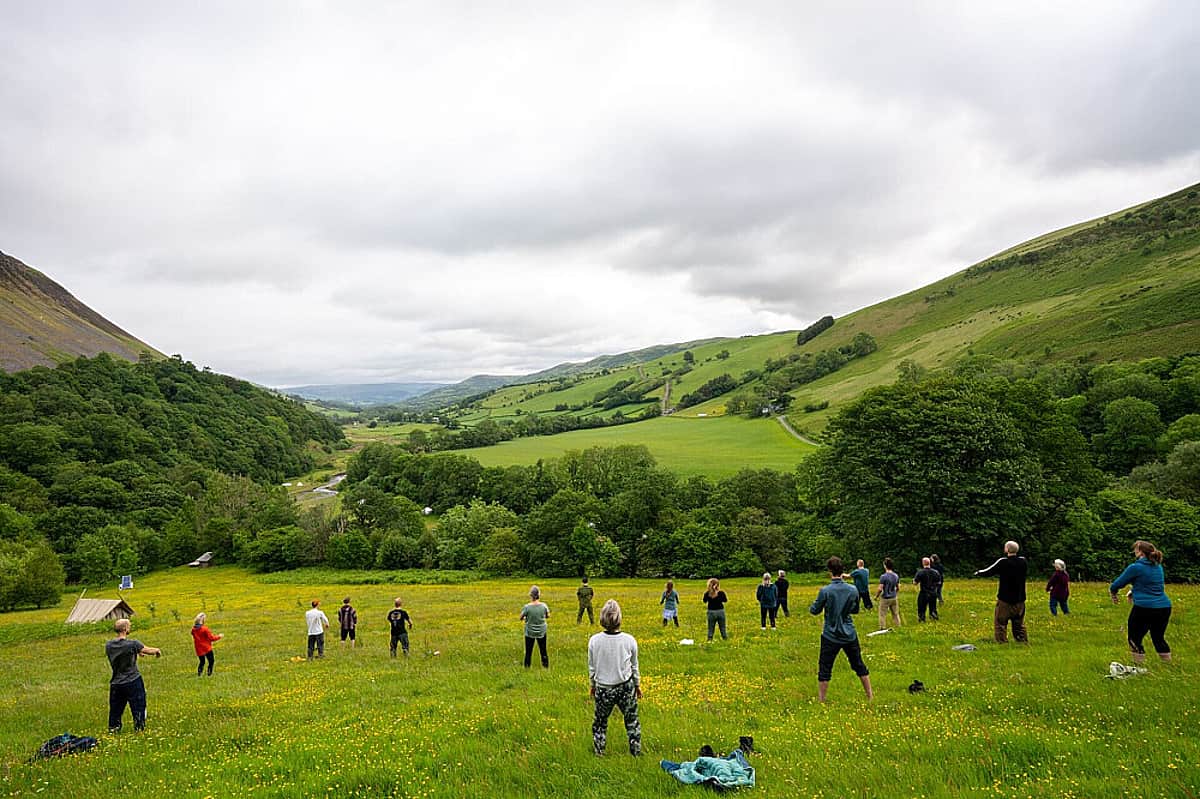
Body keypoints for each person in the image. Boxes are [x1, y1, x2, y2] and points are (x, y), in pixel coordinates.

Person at [808, 556, 872, 702]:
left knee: (825, 667)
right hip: (849, 633)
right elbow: (855, 610)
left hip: (830, 634)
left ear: (830, 571)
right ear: (843, 571)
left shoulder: (825, 591)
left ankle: (822, 699)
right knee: (858, 664)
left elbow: (814, 610)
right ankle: (870, 695)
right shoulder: (853, 589)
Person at [588, 600, 642, 756]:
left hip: (603, 687)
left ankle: (599, 751)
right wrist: (637, 685)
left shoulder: (594, 641)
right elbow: (634, 666)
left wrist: (593, 684)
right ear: (619, 618)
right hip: (625, 686)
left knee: (600, 722)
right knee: (632, 721)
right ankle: (635, 751)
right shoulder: (629, 640)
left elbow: (592, 666)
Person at [1109, 540, 1172, 664]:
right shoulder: (1157, 566)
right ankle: (1169, 666)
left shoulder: (1135, 567)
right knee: (1158, 638)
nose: (1134, 552)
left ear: (1141, 552)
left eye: (1135, 549)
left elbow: (1118, 583)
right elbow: (1150, 584)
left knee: (1134, 639)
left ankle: (1138, 667)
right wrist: (1133, 590)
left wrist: (1113, 592)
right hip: (1164, 607)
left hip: (1144, 608)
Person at [106, 618, 161, 732]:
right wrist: (157, 650)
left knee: (116, 709)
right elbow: (148, 650)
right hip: (132, 680)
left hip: (116, 682)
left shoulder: (109, 645)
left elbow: (123, 651)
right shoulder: (133, 644)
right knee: (138, 705)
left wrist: (137, 651)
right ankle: (139, 728)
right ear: (125, 629)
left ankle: (113, 729)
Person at [974, 540, 1028, 643]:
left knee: (1000, 622)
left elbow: (989, 571)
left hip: (1005, 599)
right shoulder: (1023, 561)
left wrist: (978, 572)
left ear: (1007, 549)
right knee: (1019, 623)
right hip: (1020, 599)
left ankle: (1002, 642)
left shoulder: (1003, 562)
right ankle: (1022, 641)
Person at [521, 585, 550, 668]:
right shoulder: (544, 606)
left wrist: (527, 618)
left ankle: (527, 667)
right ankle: (545, 666)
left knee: (528, 651)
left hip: (529, 631)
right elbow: (547, 615)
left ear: (531, 595)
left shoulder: (527, 607)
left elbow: (521, 617)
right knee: (543, 650)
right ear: (539, 595)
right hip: (542, 631)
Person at [191, 612, 223, 676]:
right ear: (202, 620)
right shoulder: (204, 629)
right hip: (207, 648)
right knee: (211, 661)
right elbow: (212, 638)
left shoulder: (193, 630)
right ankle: (209, 673)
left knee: (202, 662)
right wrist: (219, 636)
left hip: (198, 649)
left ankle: (199, 674)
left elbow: (193, 634)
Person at [876, 557, 901, 629]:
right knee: (895, 614)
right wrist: (895, 593)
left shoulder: (883, 576)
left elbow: (880, 589)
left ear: (885, 565)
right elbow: (898, 587)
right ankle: (898, 626)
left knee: (882, 614)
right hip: (894, 597)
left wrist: (876, 596)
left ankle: (882, 627)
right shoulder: (896, 575)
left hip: (885, 598)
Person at [913, 557, 941, 622]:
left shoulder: (920, 572)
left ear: (923, 563)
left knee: (922, 607)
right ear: (930, 563)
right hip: (933, 592)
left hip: (924, 592)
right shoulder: (935, 572)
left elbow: (915, 583)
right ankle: (934, 617)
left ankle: (922, 618)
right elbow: (939, 582)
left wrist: (914, 581)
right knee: (933, 607)